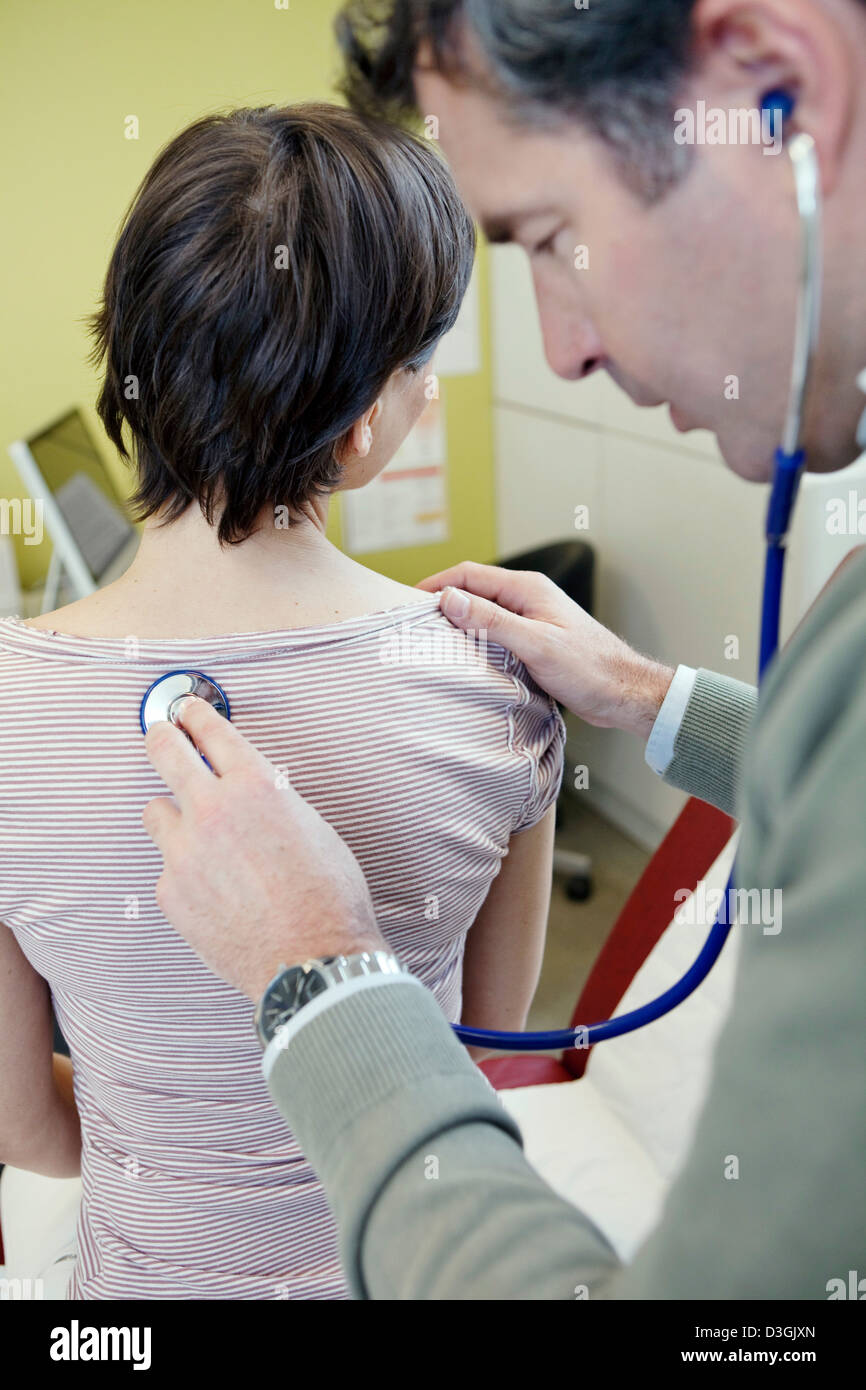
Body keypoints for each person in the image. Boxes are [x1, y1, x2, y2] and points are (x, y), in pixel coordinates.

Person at [141, 0, 866, 1299]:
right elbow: (501, 1034)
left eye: (553, 237)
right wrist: (652, 700)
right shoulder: (501, 700)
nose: (563, 348)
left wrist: (317, 968)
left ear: (772, 90)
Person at [0, 101, 565, 1299]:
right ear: (364, 427)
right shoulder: (502, 682)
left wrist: (179, 1149)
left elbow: (28, 1131)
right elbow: (481, 1053)